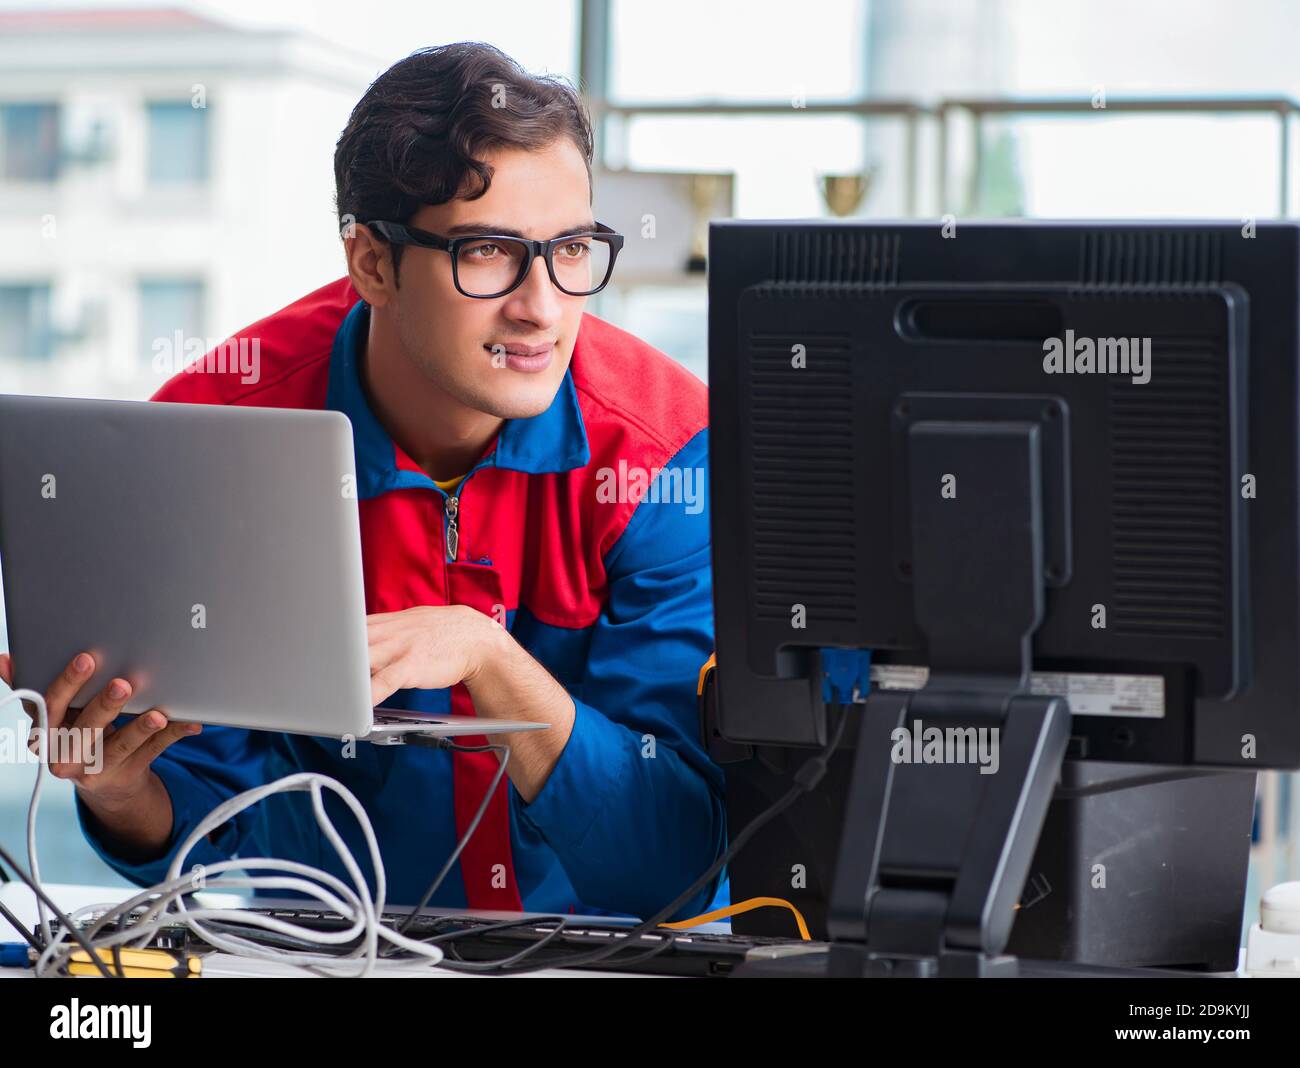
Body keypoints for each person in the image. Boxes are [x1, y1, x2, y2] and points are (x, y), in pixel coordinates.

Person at [2, 41, 724, 920]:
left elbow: (680, 857)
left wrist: (491, 660)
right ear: (372, 263)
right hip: (314, 953)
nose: (542, 305)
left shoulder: (665, 457)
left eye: (571, 248)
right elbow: (200, 816)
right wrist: (118, 791)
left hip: (600, 963)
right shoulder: (222, 431)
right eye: (491, 252)